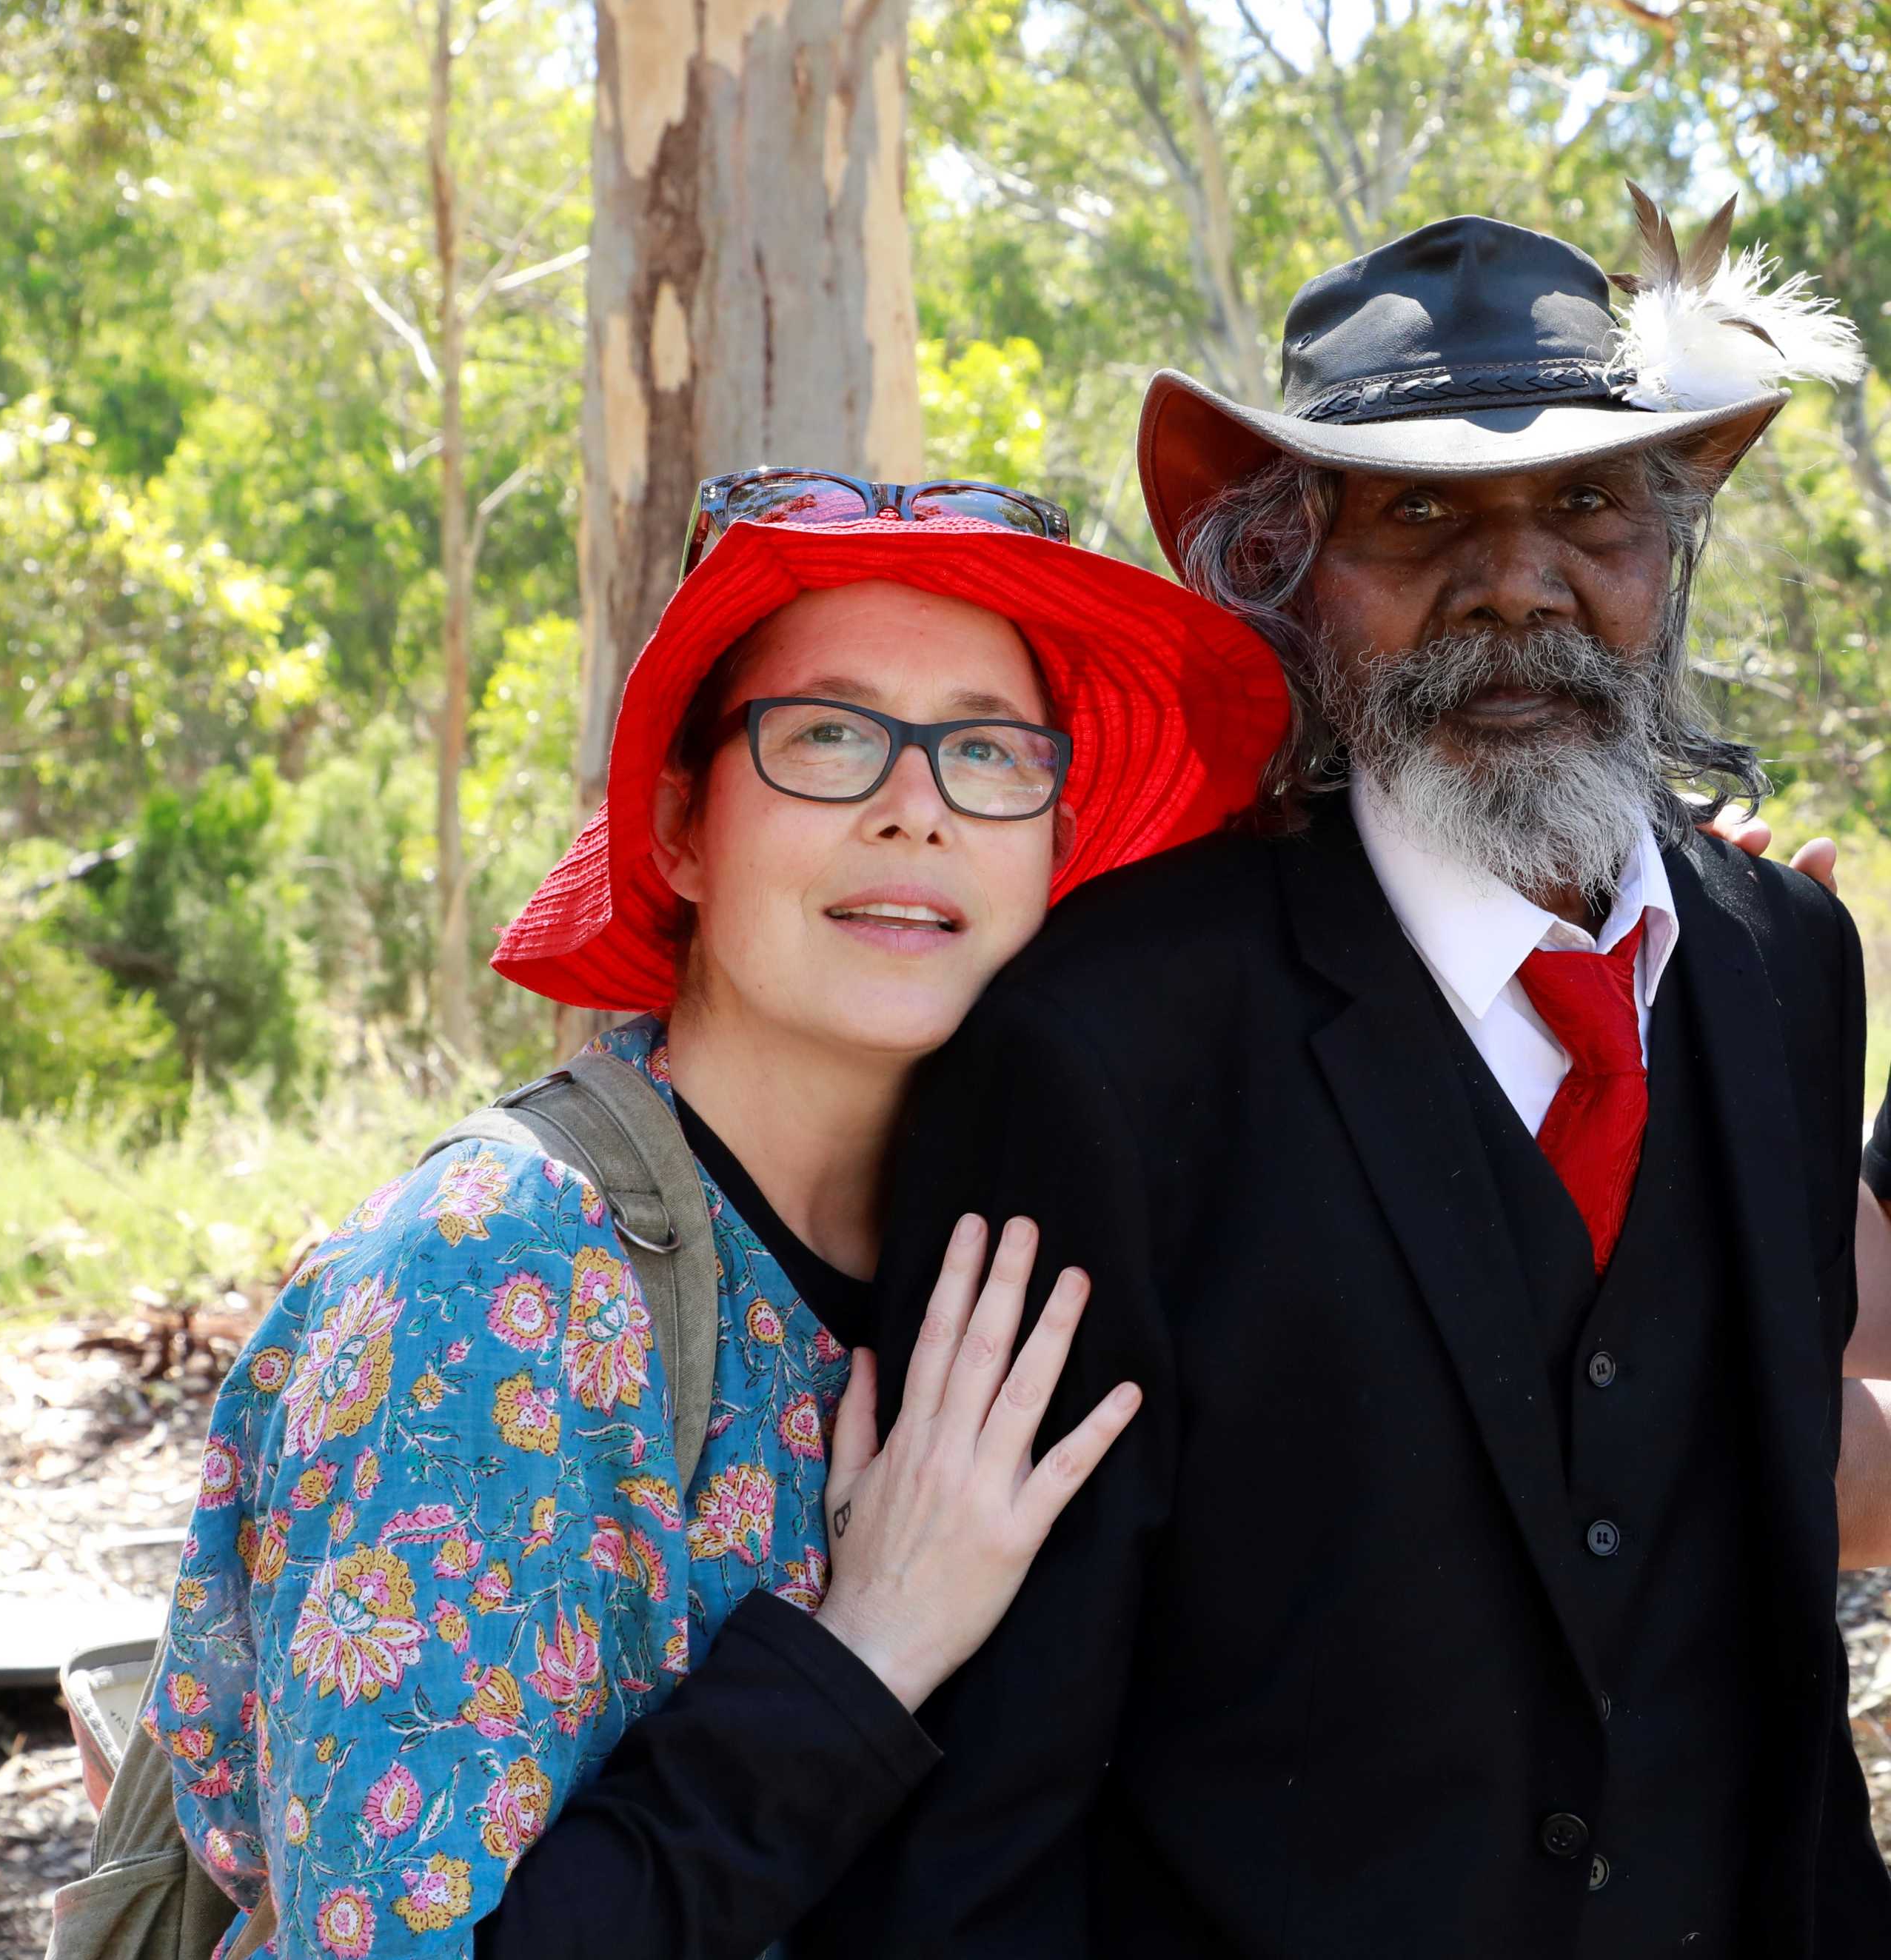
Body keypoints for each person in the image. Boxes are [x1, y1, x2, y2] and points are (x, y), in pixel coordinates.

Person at [806, 202, 1891, 1957]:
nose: (1517, 582)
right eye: (1417, 515)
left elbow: (1761, 1619)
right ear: (1286, 571)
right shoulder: (1100, 1045)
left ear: (1665, 549)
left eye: (1586, 505)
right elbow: (998, 1776)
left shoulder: (1785, 967)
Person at [141, 471, 1288, 1960]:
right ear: (681, 824)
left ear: (1053, 845)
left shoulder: (1022, 1237)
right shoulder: (497, 1273)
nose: (916, 810)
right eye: (828, 737)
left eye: (986, 753)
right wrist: (868, 1648)